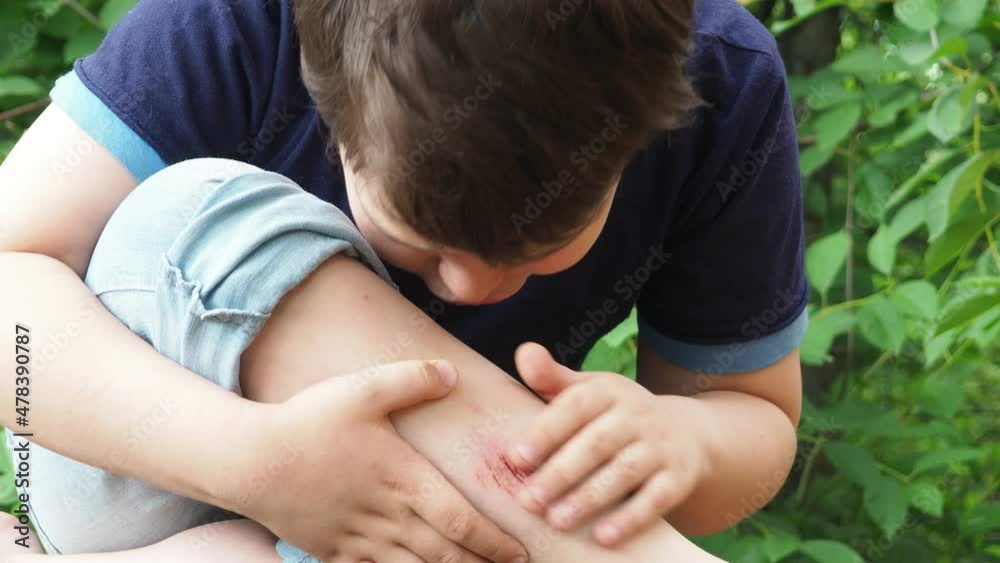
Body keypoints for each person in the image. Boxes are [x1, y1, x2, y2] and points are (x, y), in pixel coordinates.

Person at [0, 0, 807, 561]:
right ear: (326, 93)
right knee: (198, 215)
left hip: (427, 530)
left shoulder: (719, 86)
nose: (469, 287)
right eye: (419, 241)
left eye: (542, 241)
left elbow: (755, 418)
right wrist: (250, 461)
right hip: (143, 465)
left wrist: (687, 444)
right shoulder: (236, 25)